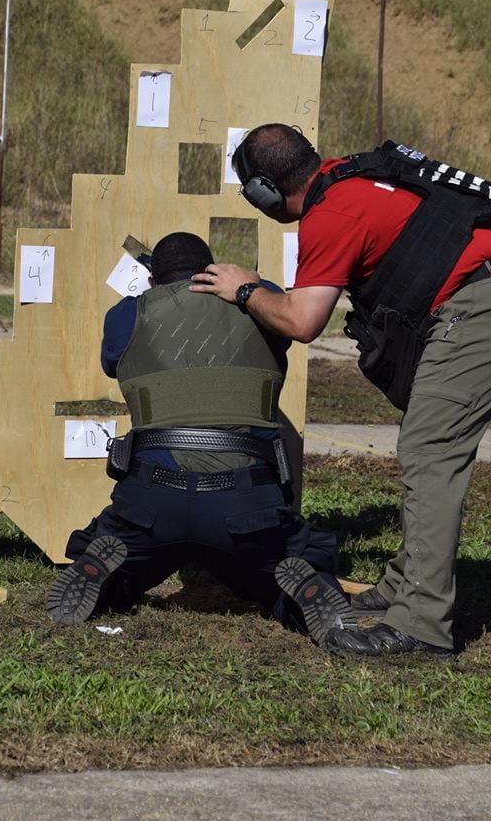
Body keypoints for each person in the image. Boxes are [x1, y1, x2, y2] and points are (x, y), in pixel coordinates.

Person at [190, 123, 491, 659]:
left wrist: (245, 288)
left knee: (429, 450)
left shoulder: (330, 215)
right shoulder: (353, 175)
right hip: (474, 290)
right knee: (426, 443)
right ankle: (404, 586)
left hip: (475, 304)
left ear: (263, 189)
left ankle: (421, 624)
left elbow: (304, 320)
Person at [46, 232, 357, 646]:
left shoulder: (126, 315)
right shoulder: (259, 305)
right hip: (246, 502)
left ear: (154, 280)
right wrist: (253, 285)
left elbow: (111, 362)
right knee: (285, 564)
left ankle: (99, 571)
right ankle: (306, 588)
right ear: (212, 272)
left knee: (119, 556)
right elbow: (288, 317)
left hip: (150, 501)